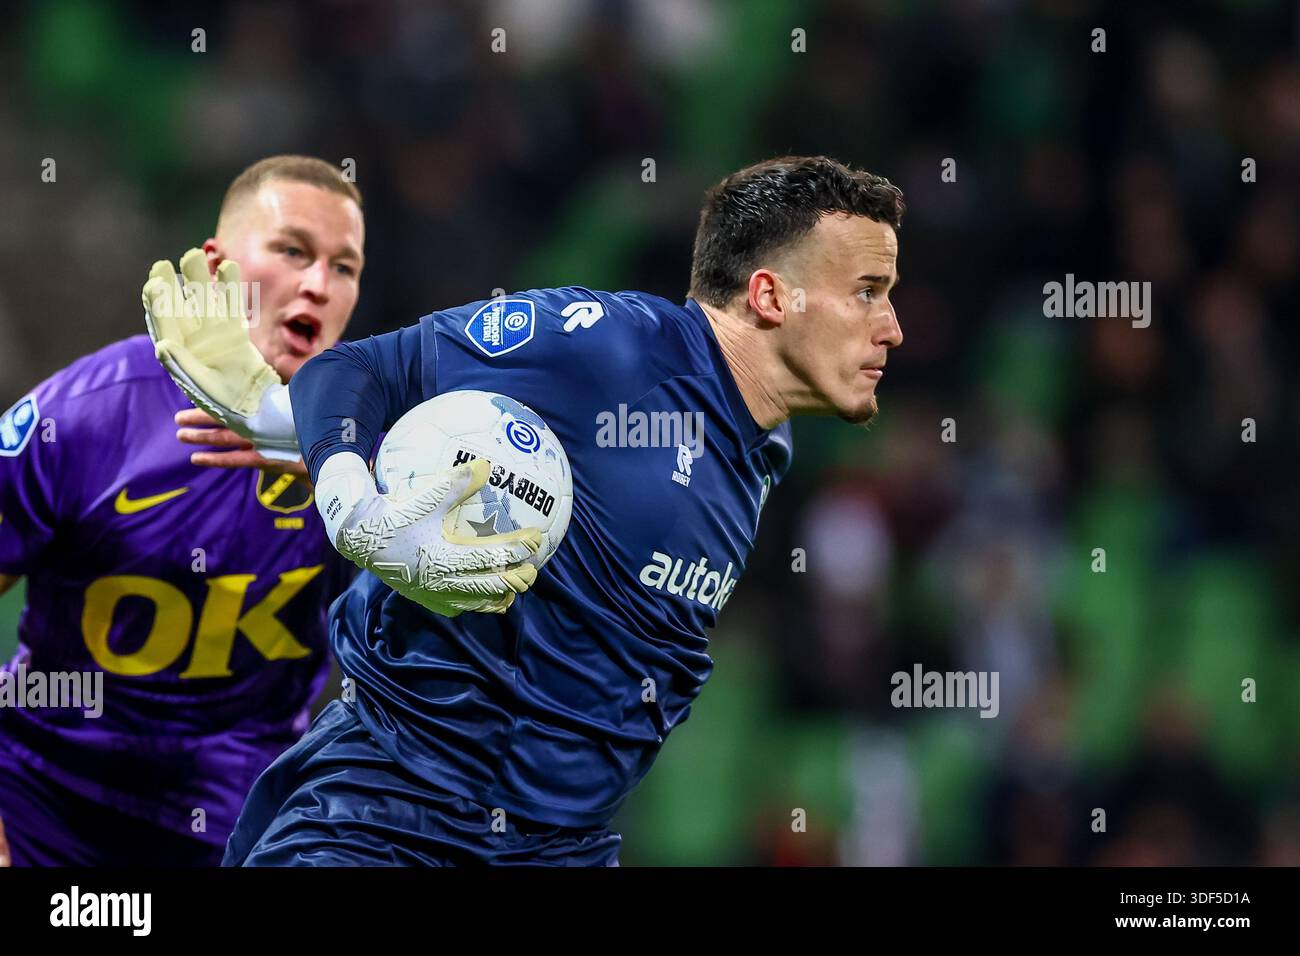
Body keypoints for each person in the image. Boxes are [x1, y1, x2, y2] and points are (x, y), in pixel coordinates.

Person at [145, 155, 904, 865]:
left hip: (561, 845)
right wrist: (344, 491)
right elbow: (357, 370)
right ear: (771, 295)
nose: (892, 326)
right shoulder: (611, 346)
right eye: (867, 291)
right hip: (391, 811)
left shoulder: (769, 447)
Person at [0, 155, 365, 865]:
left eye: (344, 267)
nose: (318, 284)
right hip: (38, 809)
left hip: (238, 834)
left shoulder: (378, 449)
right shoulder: (86, 413)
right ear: (216, 266)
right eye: (293, 250)